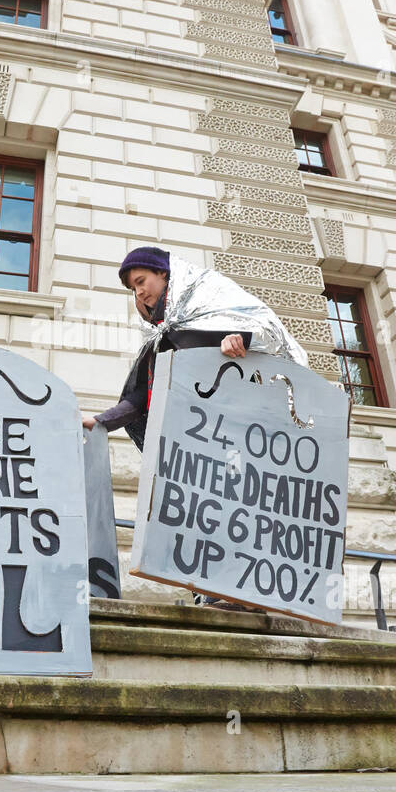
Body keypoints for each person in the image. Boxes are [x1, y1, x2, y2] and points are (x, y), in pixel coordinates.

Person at [81, 245, 309, 608]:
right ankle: (209, 591)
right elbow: (142, 396)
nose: (139, 292)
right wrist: (101, 421)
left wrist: (240, 341)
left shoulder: (214, 312)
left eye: (142, 281)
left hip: (236, 441)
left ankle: (247, 592)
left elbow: (265, 335)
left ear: (165, 276)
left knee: (238, 511)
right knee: (194, 519)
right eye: (132, 289)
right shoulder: (161, 341)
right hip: (191, 449)